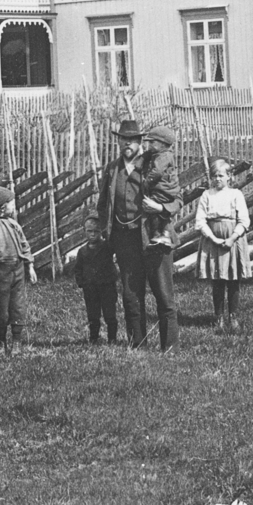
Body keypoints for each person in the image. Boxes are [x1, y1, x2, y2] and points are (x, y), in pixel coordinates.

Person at [95, 118, 183, 351]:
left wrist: (160, 208)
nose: (128, 143)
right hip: (124, 240)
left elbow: (177, 198)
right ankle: (138, 345)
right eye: (124, 139)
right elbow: (103, 205)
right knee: (131, 295)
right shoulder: (112, 169)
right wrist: (105, 231)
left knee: (163, 294)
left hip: (154, 236)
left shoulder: (156, 163)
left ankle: (170, 348)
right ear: (118, 141)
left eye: (133, 139)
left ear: (140, 142)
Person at [194, 157, 252, 334]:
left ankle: (233, 317)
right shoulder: (207, 195)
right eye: (215, 176)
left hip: (233, 238)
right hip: (213, 239)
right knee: (218, 280)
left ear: (229, 177)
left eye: (221, 175)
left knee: (233, 279)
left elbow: (244, 220)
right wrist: (213, 238)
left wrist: (232, 238)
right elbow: (200, 221)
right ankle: (218, 317)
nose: (217, 179)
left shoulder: (236, 194)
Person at [0, 186, 37, 358]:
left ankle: (17, 341)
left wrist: (30, 266)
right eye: (12, 204)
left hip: (18, 269)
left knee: (18, 306)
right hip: (0, 272)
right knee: (1, 308)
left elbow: (24, 245)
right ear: (3, 207)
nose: (14, 207)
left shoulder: (14, 225)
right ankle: (1, 341)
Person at [72, 216, 119, 345]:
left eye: (96, 231)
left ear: (101, 231)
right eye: (89, 231)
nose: (92, 234)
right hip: (90, 288)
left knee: (110, 314)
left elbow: (115, 246)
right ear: (84, 231)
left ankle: (112, 339)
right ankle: (93, 339)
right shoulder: (82, 251)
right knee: (93, 315)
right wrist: (81, 282)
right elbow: (78, 268)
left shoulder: (107, 247)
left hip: (107, 286)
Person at [140, 125, 181, 252]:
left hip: (163, 191)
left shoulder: (163, 157)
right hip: (163, 190)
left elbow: (157, 172)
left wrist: (146, 182)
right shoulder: (157, 155)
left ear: (163, 144)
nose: (149, 145)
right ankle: (160, 235)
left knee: (156, 212)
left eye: (153, 142)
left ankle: (163, 235)